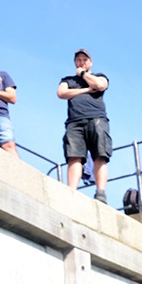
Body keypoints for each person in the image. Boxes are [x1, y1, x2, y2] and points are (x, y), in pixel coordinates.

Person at [56, 48, 111, 203]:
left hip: (97, 119)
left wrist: (83, 74)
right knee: (74, 156)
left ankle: (101, 193)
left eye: (84, 60)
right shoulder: (67, 80)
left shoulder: (99, 76)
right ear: (75, 62)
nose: (81, 62)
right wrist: (87, 90)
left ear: (90, 62)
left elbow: (100, 85)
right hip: (74, 122)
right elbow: (61, 93)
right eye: (79, 60)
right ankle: (71, 192)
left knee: (100, 155)